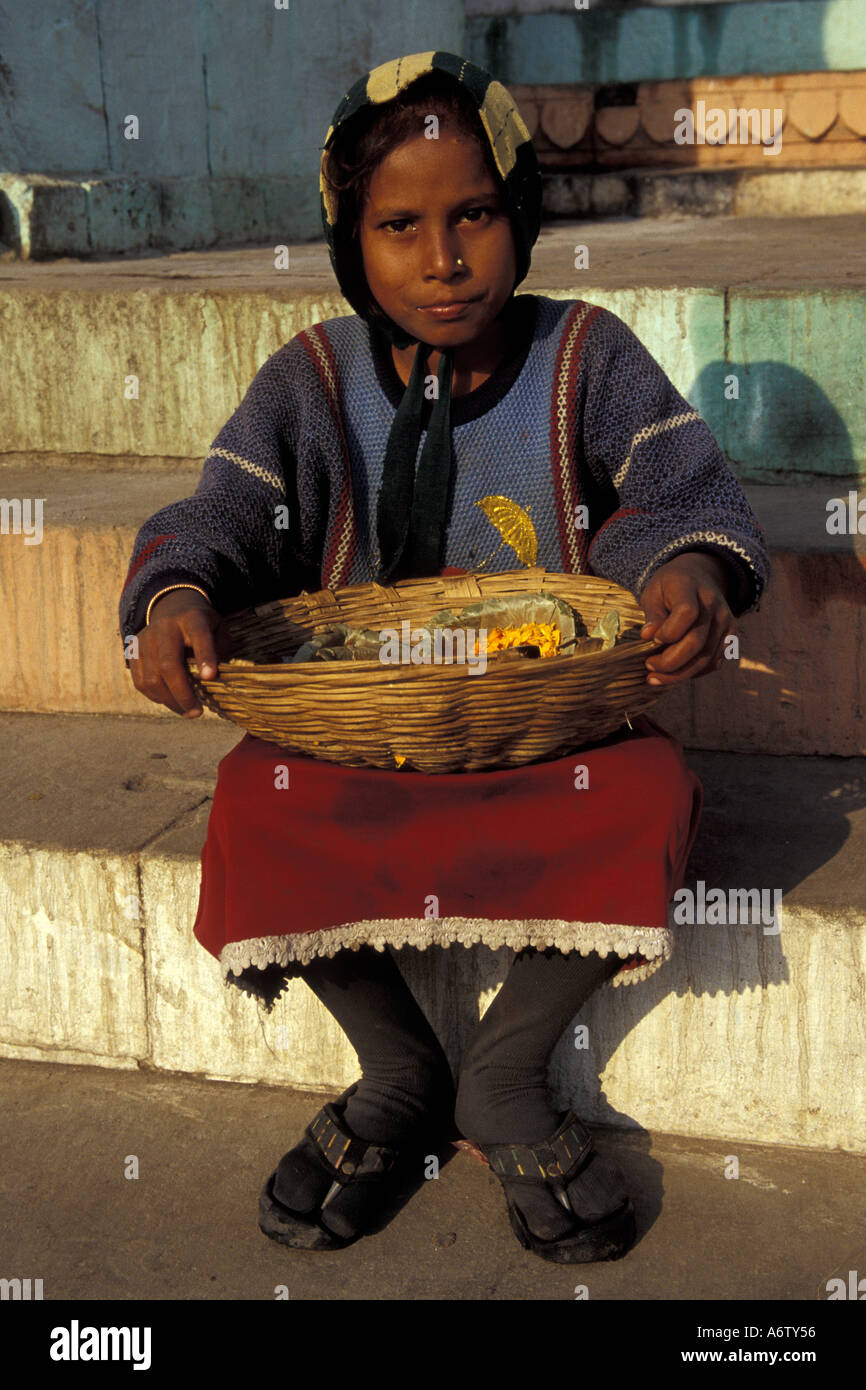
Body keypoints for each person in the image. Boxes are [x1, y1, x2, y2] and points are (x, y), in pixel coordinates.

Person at [118, 52, 770, 1265]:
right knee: (254, 799)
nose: (442, 257)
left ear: (518, 216)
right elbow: (222, 512)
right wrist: (178, 592)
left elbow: (675, 491)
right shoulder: (309, 380)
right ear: (346, 242)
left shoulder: (586, 353)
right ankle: (401, 1068)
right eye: (398, 225)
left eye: (471, 213)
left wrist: (687, 568)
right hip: (365, 734)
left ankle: (506, 1077)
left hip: (547, 736)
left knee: (644, 789)